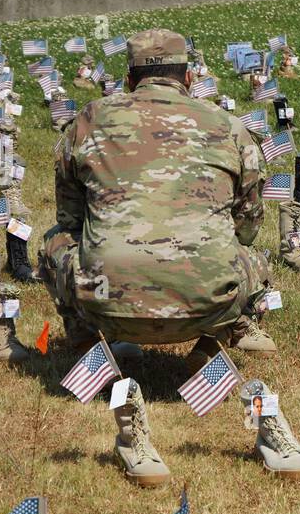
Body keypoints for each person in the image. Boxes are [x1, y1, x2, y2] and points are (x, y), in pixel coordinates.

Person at [40, 29, 270, 358]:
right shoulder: (229, 126)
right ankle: (212, 345)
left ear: (129, 81)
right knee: (255, 259)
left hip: (104, 303)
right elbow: (248, 225)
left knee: (54, 243)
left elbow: (69, 217)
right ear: (189, 78)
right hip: (209, 304)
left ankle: (88, 348)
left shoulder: (89, 120)